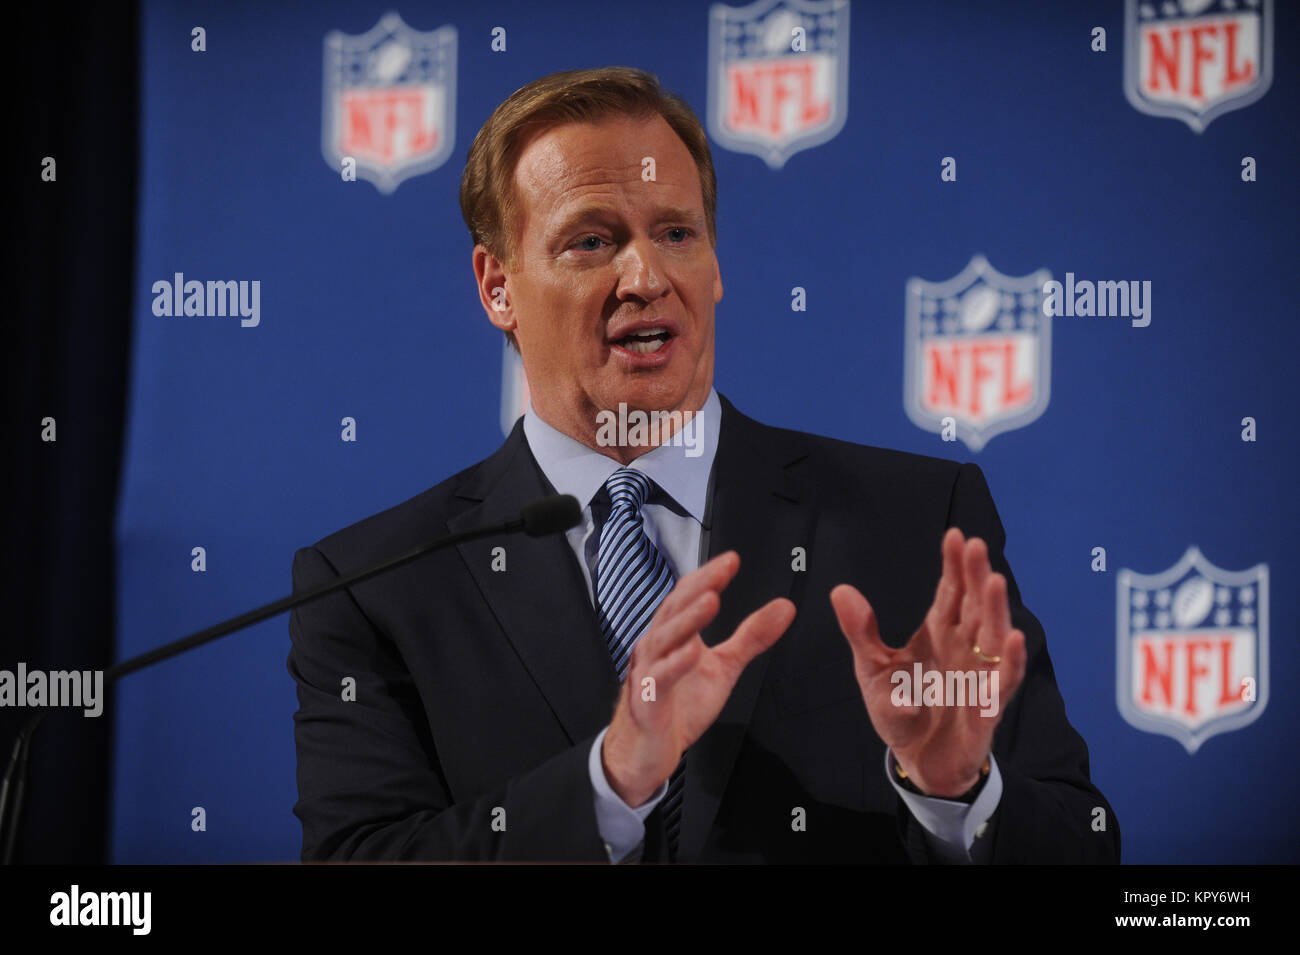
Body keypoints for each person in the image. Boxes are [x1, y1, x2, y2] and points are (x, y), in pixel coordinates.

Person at [287, 66, 1119, 864]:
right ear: (497, 285)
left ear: (715, 262)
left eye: (676, 233)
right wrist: (610, 784)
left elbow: (1086, 845)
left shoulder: (915, 520)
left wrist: (957, 791)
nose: (645, 277)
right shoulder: (376, 584)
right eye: (591, 241)